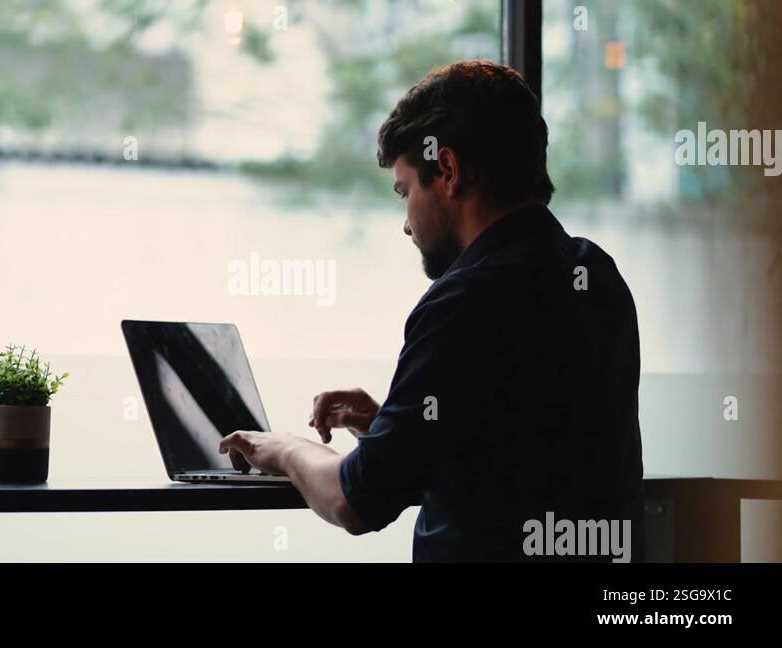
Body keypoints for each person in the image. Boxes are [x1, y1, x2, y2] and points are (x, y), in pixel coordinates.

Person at [219, 60, 645, 562]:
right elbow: (525, 456)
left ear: (447, 170)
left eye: (405, 193)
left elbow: (355, 500)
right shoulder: (595, 275)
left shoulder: (466, 301)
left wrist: (286, 450)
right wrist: (397, 429)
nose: (406, 225)